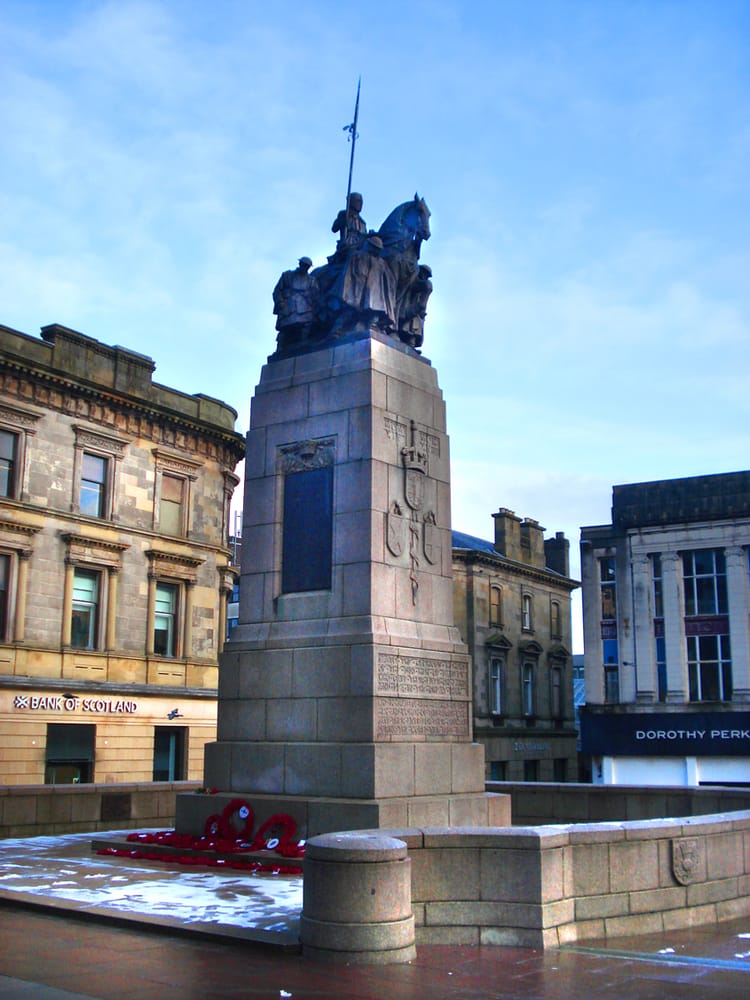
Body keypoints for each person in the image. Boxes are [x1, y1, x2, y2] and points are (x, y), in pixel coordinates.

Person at [272, 257, 318, 353]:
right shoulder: (287, 276)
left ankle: (303, 343)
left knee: (307, 323)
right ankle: (280, 347)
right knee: (285, 328)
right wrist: (281, 303)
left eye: (307, 266)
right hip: (289, 305)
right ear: (300, 264)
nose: (305, 268)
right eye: (304, 265)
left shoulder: (311, 280)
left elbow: (315, 294)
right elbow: (277, 291)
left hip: (305, 306)